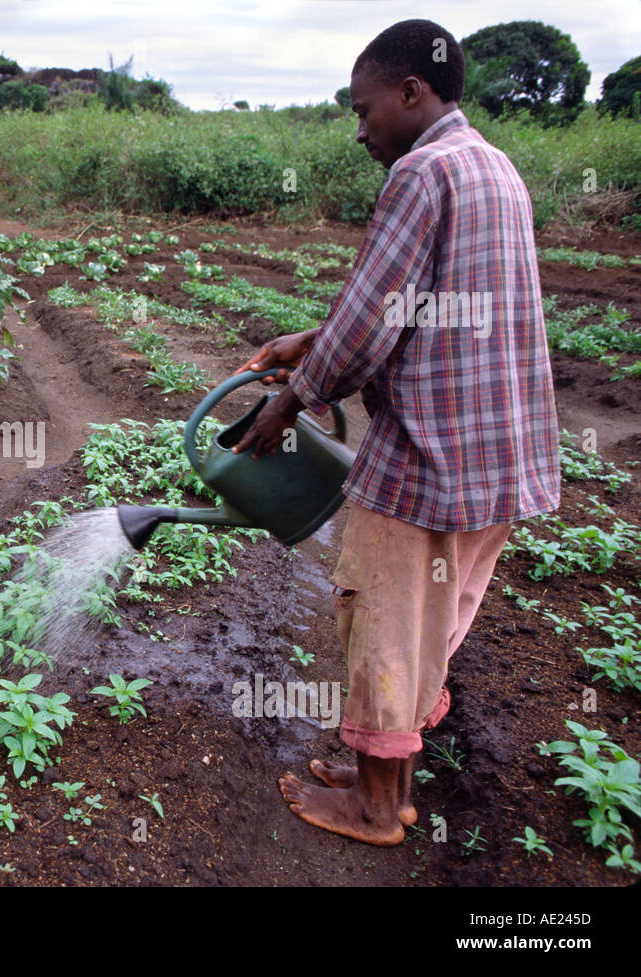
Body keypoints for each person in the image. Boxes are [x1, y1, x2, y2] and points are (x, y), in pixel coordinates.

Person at [232, 19, 560, 846]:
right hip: (497, 459)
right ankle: (394, 783)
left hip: (428, 459)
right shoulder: (491, 164)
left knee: (381, 620)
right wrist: (312, 339)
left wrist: (290, 400)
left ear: (411, 93)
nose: (360, 128)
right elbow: (417, 300)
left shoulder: (420, 172)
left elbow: (374, 319)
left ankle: (376, 810)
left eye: (365, 108)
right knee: (422, 632)